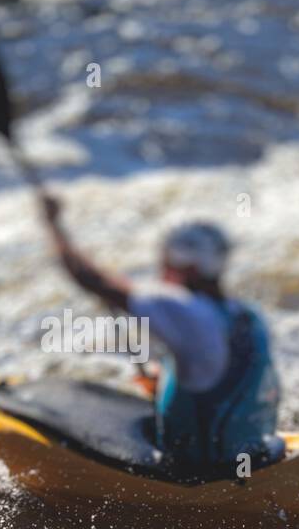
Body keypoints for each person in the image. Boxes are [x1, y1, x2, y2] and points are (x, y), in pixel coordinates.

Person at [39, 195, 283, 476]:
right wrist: (164, 384)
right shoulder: (247, 316)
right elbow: (224, 376)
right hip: (253, 456)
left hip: (203, 473)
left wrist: (53, 224)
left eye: (165, 260)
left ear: (185, 266)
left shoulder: (182, 309)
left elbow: (91, 280)